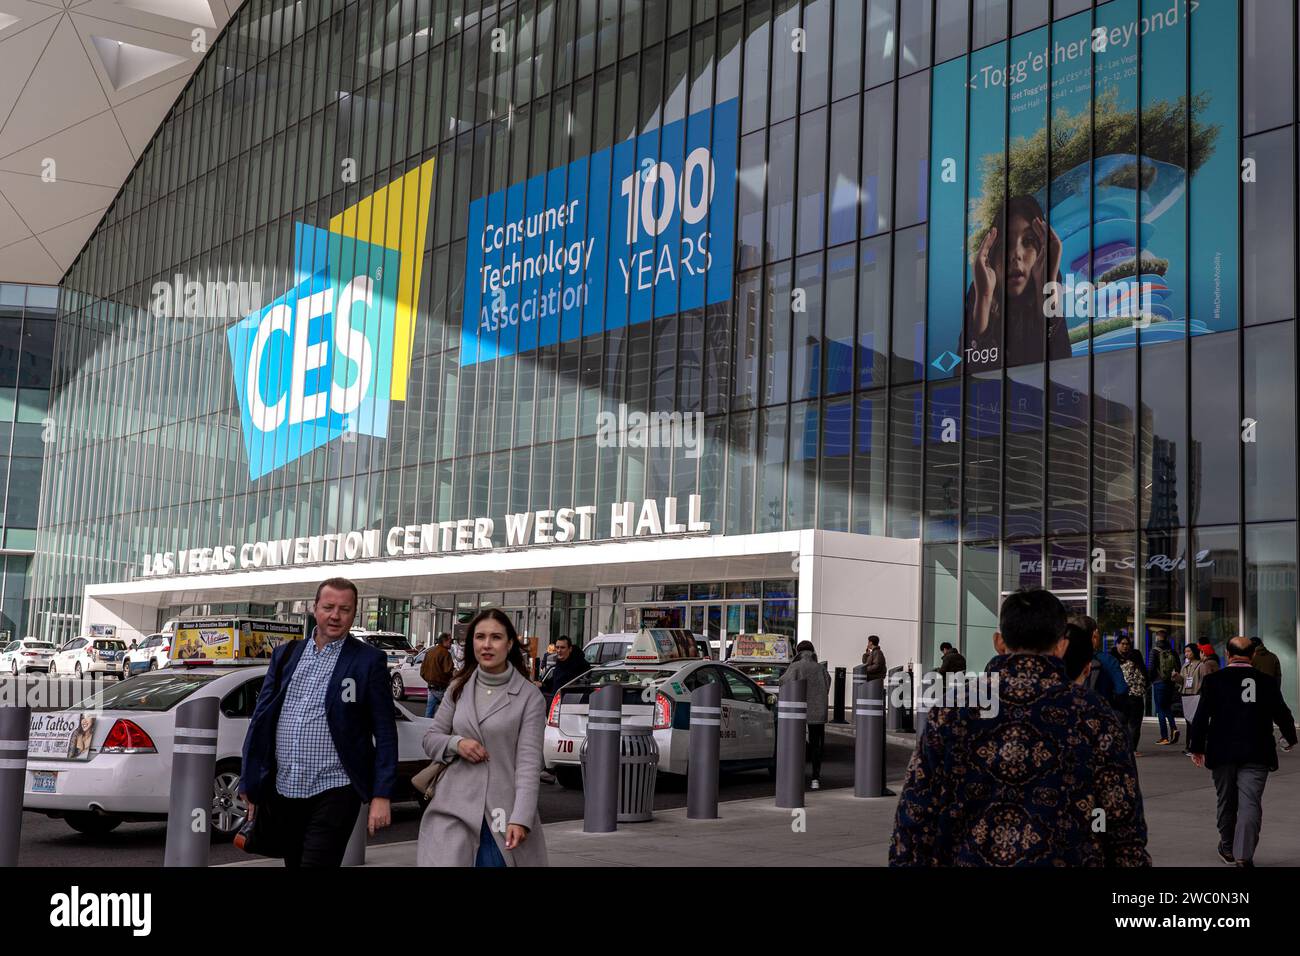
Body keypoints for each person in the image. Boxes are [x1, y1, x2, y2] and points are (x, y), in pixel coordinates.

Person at [890, 588, 1149, 866]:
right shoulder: (1093, 713)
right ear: (1061, 646)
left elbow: (915, 815)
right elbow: (1124, 829)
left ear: (999, 642)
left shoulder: (952, 709)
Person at [239, 577, 398, 867]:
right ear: (315, 608)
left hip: (336, 789)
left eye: (344, 609)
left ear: (354, 613)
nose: (335, 615)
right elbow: (261, 721)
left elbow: (385, 732)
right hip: (285, 787)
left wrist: (382, 794)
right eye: (328, 607)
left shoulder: (369, 660)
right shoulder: (286, 654)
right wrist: (252, 780)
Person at [417, 608, 548, 867]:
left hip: (501, 814)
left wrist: (521, 817)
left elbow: (528, 765)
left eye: (496, 637)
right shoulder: (458, 687)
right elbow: (431, 739)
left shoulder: (528, 697)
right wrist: (456, 743)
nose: (486, 645)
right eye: (480, 637)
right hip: (454, 809)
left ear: (510, 643)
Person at [1189, 636, 1297, 867]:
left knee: (1226, 801)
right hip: (1257, 751)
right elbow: (1283, 713)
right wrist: (1290, 737)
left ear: (1227, 655)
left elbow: (1201, 717)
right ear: (1254, 655)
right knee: (1250, 803)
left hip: (1222, 751)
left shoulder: (1214, 681)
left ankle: (1227, 847)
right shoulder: (1266, 682)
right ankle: (1243, 856)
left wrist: (1196, 747)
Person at [964, 195, 1071, 372]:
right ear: (993, 253)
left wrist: (1047, 284)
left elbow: (1064, 369)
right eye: (1005, 244)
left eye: (1028, 241)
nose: (1016, 254)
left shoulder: (1049, 284)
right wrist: (983, 298)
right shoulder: (981, 290)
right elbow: (963, 381)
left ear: (1040, 250)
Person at [782, 640, 829, 790]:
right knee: (817, 745)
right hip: (818, 711)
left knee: (796, 743)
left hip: (798, 711)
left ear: (799, 652)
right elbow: (827, 684)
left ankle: (795, 776)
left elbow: (784, 682)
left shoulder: (795, 666)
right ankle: (816, 778)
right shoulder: (820, 668)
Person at [1074, 614, 1128, 709]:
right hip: (1100, 713)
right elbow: (1121, 690)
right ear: (1095, 634)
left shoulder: (1063, 658)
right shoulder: (1108, 660)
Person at [1175, 643, 1218, 755]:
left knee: (1196, 722)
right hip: (1186, 694)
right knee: (1188, 721)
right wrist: (1176, 677)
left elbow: (1205, 681)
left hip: (1196, 694)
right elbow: (1182, 681)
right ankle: (1188, 745)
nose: (1187, 654)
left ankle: (1194, 746)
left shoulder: (1201, 665)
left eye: (1189, 651)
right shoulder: (1185, 666)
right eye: (1185, 652)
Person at [1112, 635, 1148, 756]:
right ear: (1117, 644)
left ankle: (1130, 748)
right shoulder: (1113, 660)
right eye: (1122, 644)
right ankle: (1127, 748)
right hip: (1123, 696)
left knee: (1133, 724)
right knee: (1126, 723)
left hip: (1132, 696)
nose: (1125, 646)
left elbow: (1145, 677)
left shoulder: (1133, 661)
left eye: (1127, 644)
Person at [538, 636, 591, 701]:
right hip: (556, 702)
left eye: (562, 648)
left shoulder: (580, 666)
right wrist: (542, 684)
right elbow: (555, 682)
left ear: (570, 649)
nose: (559, 650)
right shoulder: (559, 663)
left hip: (570, 704)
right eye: (557, 647)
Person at [1150, 632, 1179, 747]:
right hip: (1170, 683)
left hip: (1158, 683)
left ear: (1157, 638)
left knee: (1160, 709)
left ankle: (1164, 737)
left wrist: (1151, 680)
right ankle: (1174, 728)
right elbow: (1178, 666)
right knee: (1167, 707)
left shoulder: (1154, 651)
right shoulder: (1172, 651)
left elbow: (1151, 668)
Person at [420, 632, 454, 719]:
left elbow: (422, 671)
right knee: (451, 709)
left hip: (431, 686)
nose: (452, 643)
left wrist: (429, 680)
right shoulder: (445, 653)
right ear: (445, 641)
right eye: (450, 641)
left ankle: (426, 729)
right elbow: (449, 671)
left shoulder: (430, 652)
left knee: (429, 712)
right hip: (441, 687)